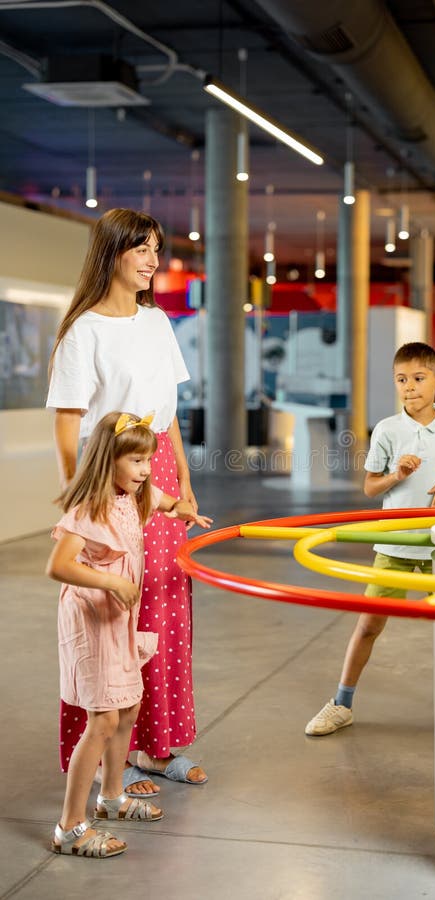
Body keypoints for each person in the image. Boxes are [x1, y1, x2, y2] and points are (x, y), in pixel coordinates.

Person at [47, 208, 207, 794]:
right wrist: (83, 503)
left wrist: (183, 477)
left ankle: (155, 748)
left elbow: (168, 415)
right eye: (141, 248)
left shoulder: (158, 322)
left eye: (156, 248)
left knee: (162, 609)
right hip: (106, 476)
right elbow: (69, 426)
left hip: (155, 468)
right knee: (111, 616)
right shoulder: (83, 331)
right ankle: (104, 760)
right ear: (111, 252)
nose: (152, 260)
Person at [47, 411, 212, 857]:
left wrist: (182, 509)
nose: (145, 470)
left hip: (119, 618)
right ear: (109, 460)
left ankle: (112, 796)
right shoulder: (90, 508)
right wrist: (112, 582)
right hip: (92, 620)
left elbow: (165, 501)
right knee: (102, 719)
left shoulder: (133, 496)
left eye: (148, 460)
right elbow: (58, 566)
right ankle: (70, 827)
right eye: (136, 461)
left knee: (129, 706)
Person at [305, 342, 435, 736]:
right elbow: (369, 487)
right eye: (401, 379)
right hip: (395, 545)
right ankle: (341, 703)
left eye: (418, 378)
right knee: (368, 627)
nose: (409, 387)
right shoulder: (386, 429)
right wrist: (397, 475)